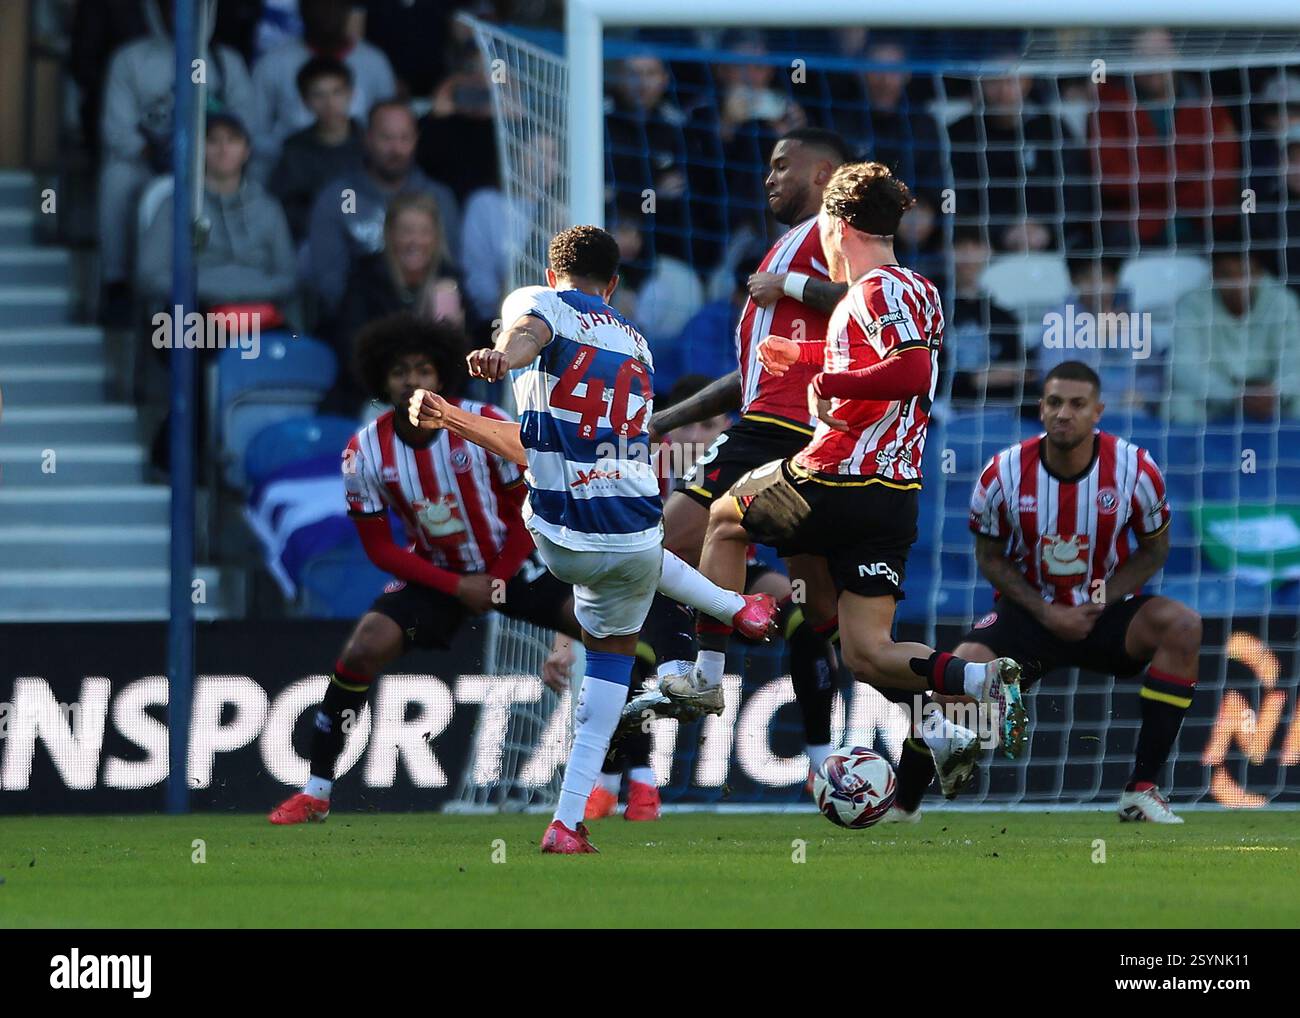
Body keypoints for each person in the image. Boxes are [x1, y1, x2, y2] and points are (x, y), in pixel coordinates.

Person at [408, 226, 779, 852]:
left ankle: (567, 821)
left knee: (604, 670)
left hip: (563, 536)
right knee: (621, 629)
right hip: (636, 528)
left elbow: (528, 336)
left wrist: (495, 366)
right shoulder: (637, 343)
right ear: (612, 285)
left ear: (553, 276)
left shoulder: (539, 301)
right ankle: (732, 610)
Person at [673, 162, 1031, 796]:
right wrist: (802, 355)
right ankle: (979, 683)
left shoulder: (875, 290)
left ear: (838, 226)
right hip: (892, 499)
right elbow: (873, 358)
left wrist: (825, 380)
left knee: (725, 516)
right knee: (866, 652)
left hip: (839, 475)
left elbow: (911, 373)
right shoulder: (912, 287)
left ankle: (705, 674)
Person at [267, 314, 576, 825]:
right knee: (364, 647)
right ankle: (316, 791)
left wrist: (496, 579)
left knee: (601, 626)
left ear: (442, 376)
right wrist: (458, 585)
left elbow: (529, 512)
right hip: (440, 577)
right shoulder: (363, 452)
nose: (412, 381)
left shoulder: (484, 423)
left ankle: (631, 780)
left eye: (424, 370)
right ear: (382, 380)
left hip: (512, 565)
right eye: (400, 372)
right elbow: (380, 549)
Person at [629, 129, 854, 786]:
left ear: (824, 173)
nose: (769, 177)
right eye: (767, 168)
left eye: (782, 165)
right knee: (826, 619)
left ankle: (695, 675)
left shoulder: (832, 232)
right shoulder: (786, 249)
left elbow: (871, 306)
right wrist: (666, 419)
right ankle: (940, 709)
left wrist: (790, 283)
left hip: (780, 430)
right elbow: (748, 378)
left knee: (660, 544)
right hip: (804, 435)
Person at [889, 361, 1201, 824]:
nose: (1064, 413)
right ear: (1041, 408)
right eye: (1054, 402)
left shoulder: (1135, 469)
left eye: (1077, 404)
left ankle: (1141, 790)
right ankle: (903, 806)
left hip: (1102, 614)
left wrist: (1098, 600)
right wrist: (1047, 611)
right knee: (959, 672)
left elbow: (1155, 549)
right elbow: (989, 556)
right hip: (1029, 616)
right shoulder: (1004, 473)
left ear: (1097, 411)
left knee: (1183, 625)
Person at [97, 0, 254, 321]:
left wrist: (208, 155)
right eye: (170, 6)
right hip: (148, 161)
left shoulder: (226, 61)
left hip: (211, 163)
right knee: (117, 178)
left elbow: (246, 124)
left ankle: (239, 276)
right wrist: (159, 154)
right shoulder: (131, 58)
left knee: (254, 179)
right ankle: (117, 284)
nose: (179, 13)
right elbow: (116, 130)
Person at [304, 101, 461, 316]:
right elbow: (330, 281)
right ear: (367, 138)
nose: (396, 149)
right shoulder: (340, 196)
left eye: (404, 138)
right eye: (386, 138)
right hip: (357, 316)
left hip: (428, 318)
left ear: (416, 139)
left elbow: (448, 267)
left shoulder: (438, 197)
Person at [137, 113, 296, 311]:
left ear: (246, 151)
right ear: (199, 149)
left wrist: (244, 294)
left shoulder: (268, 207)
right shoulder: (175, 207)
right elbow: (150, 276)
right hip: (197, 311)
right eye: (213, 140)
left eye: (232, 140)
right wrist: (216, 292)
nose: (223, 149)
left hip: (259, 313)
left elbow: (288, 277)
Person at [323, 193, 463, 413]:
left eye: (424, 232)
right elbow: (351, 350)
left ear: (436, 238)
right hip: (372, 399)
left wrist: (452, 328)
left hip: (437, 403)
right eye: (406, 232)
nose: (415, 241)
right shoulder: (364, 278)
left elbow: (463, 365)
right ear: (389, 234)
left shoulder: (450, 281)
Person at [1167, 232, 1300, 424]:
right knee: (1180, 405)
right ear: (1214, 275)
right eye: (1228, 275)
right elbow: (1184, 370)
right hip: (1217, 397)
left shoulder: (1283, 301)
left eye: (1245, 274)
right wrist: (1233, 395)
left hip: (1272, 398)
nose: (1238, 284)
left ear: (1259, 273)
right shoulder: (1192, 304)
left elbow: (1294, 363)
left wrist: (1277, 391)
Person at [251, 0, 396, 172]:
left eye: (334, 4)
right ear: (302, 10)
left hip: (361, 173)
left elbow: (391, 129)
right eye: (318, 4)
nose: (326, 13)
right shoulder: (272, 63)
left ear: (347, 10)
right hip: (291, 172)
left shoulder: (375, 62)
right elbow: (254, 133)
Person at [267, 56, 366, 242]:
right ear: (305, 101)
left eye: (337, 92)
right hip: (312, 240)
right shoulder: (294, 149)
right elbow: (282, 208)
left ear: (351, 94)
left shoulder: (370, 144)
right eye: (318, 95)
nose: (329, 103)